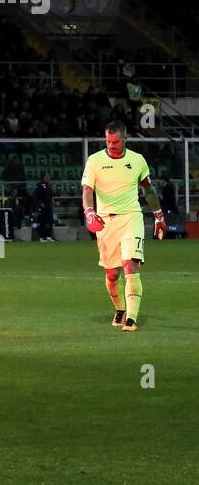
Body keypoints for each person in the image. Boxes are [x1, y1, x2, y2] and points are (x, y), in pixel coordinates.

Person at [81, 121, 166, 332]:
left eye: (116, 142)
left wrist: (159, 216)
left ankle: (132, 319)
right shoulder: (94, 161)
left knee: (130, 265)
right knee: (112, 275)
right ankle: (120, 309)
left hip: (131, 217)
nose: (111, 145)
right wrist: (89, 212)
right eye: (108, 142)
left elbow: (149, 190)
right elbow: (87, 192)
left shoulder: (137, 160)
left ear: (125, 138)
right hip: (105, 222)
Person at [33, 173, 55, 242]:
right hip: (42, 207)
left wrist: (52, 200)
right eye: (48, 176)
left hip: (48, 206)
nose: (49, 178)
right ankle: (42, 237)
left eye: (49, 177)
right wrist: (40, 203)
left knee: (50, 221)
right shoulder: (40, 185)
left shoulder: (48, 186)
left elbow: (50, 195)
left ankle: (48, 236)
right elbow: (36, 196)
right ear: (44, 177)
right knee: (42, 222)